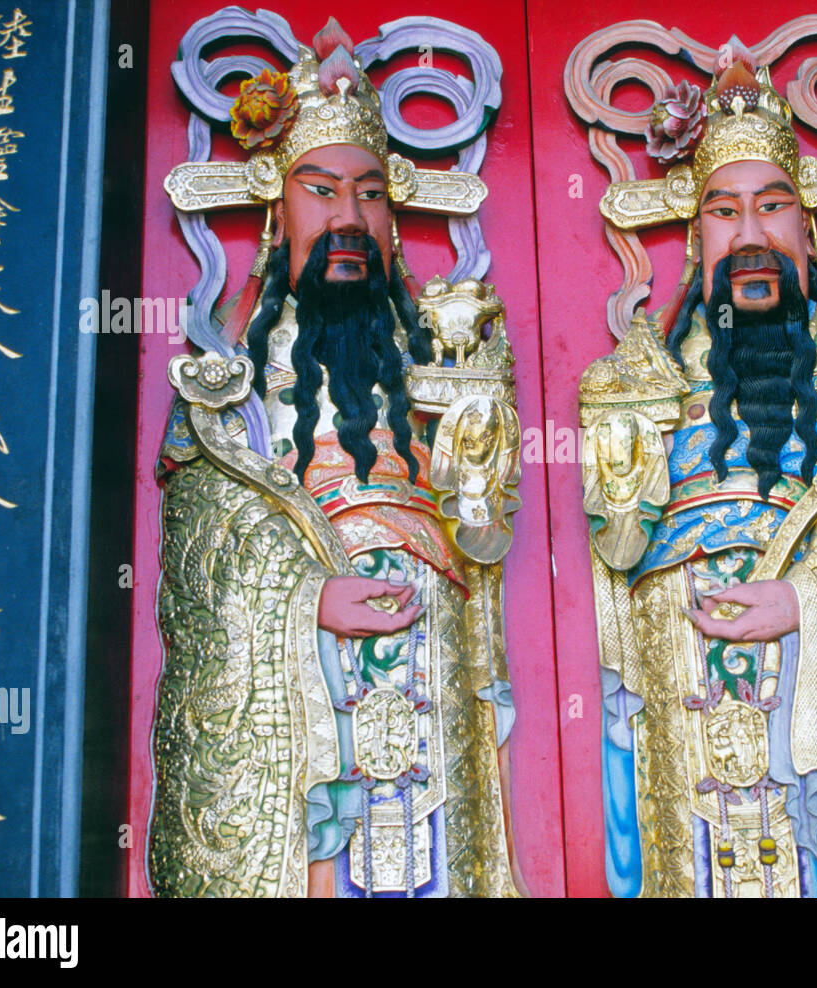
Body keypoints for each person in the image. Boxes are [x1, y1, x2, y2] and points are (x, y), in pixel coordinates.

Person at [581, 42, 817, 898]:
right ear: (693, 234)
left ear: (809, 227)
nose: (750, 236)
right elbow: (616, 549)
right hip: (683, 686)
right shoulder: (639, 387)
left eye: (773, 207)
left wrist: (806, 603)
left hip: (811, 708)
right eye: (724, 213)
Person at [149, 18, 522, 898]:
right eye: (322, 191)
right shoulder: (235, 362)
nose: (349, 217)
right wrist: (308, 600)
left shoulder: (435, 342)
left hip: (430, 649)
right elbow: (208, 536)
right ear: (280, 204)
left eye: (369, 194)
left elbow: (484, 516)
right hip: (304, 670)